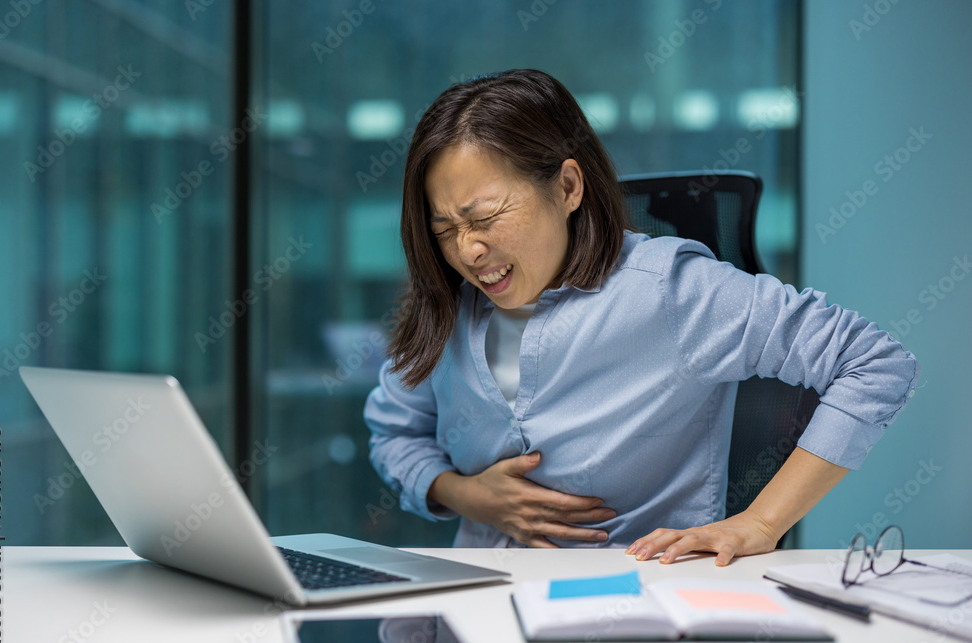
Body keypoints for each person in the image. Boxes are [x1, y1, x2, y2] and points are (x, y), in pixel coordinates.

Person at [363, 69, 919, 565]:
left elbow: (874, 362)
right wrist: (466, 494)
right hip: (479, 601)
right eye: (444, 230)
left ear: (567, 187)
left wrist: (762, 521)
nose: (469, 251)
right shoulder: (449, 304)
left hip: (637, 607)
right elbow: (394, 432)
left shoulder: (668, 291)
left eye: (485, 217)